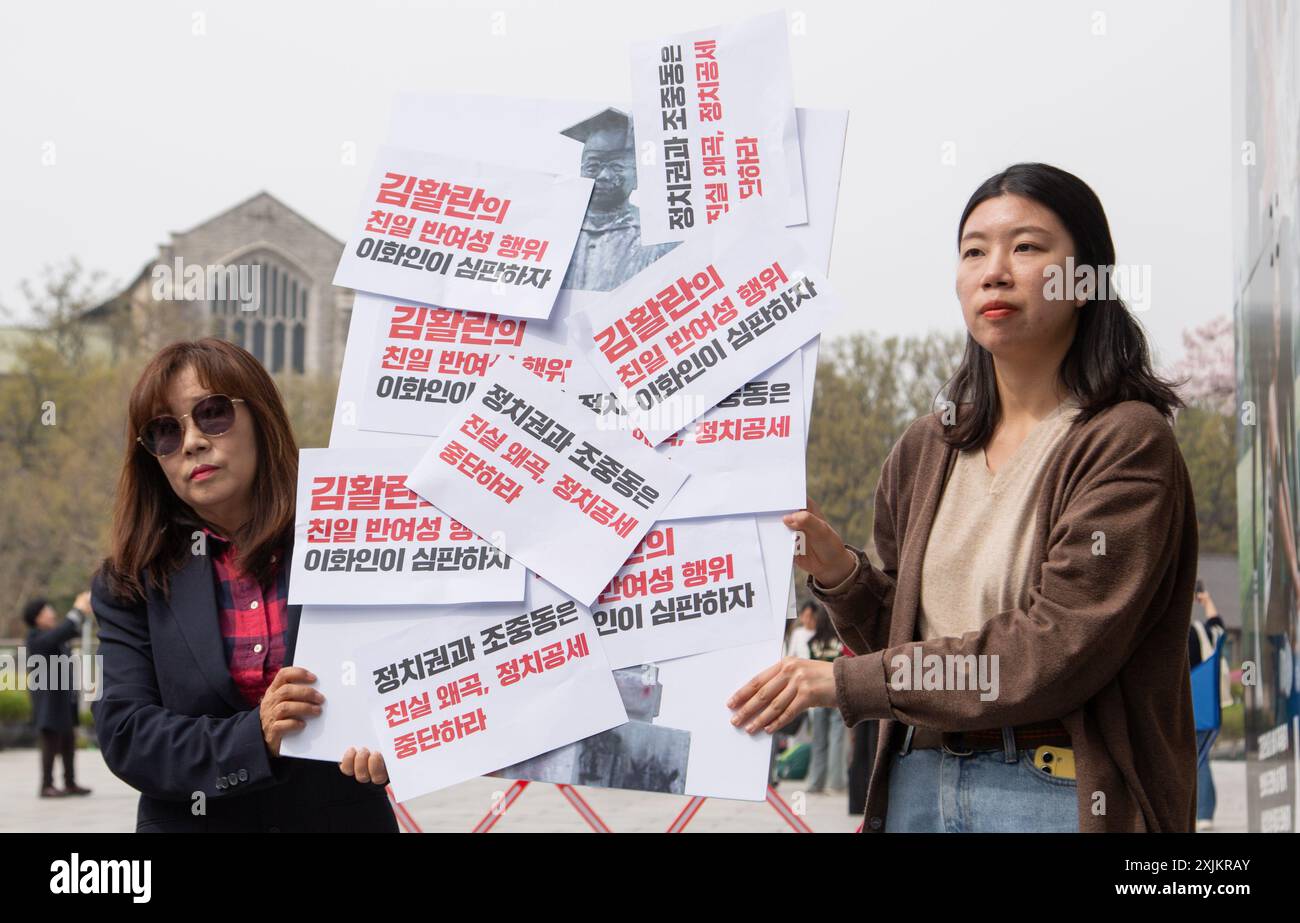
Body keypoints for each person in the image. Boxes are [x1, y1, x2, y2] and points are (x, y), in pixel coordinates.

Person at [727, 162, 1199, 833]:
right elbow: (905, 639)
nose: (994, 270)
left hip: (1055, 791)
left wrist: (840, 683)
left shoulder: (1125, 441)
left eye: (1026, 247)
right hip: (918, 781)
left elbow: (1052, 651)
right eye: (973, 250)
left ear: (1088, 277)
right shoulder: (926, 447)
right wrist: (841, 574)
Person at [90, 338, 398, 832]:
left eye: (212, 413)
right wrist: (254, 737)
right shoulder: (129, 582)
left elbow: (412, 671)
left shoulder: (351, 536)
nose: (191, 442)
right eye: (165, 432)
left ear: (261, 418)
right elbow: (127, 735)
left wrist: (401, 741)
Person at [558, 107, 678, 292]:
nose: (604, 175)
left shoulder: (659, 239)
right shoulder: (558, 230)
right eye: (593, 166)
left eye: (616, 166)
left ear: (638, 176)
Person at [23, 593, 93, 798]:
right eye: (47, 610)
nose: (52, 614)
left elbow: (68, 631)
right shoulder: (35, 637)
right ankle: (46, 785)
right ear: (37, 618)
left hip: (64, 698)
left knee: (68, 740)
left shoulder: (55, 636)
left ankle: (70, 782)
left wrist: (83, 613)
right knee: (50, 742)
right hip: (48, 700)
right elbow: (63, 631)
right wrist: (77, 610)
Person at [1189, 584, 1231, 831]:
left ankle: (1201, 813)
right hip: (1206, 705)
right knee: (1201, 758)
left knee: (1195, 759)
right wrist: (1206, 602)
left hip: (1183, 708)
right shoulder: (1198, 632)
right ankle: (1205, 813)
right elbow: (1219, 629)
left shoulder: (1170, 632)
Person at [804, 604, 846, 795]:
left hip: (816, 695)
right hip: (838, 693)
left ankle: (815, 782)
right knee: (837, 739)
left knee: (819, 740)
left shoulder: (812, 642)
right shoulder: (841, 642)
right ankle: (835, 783)